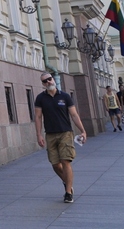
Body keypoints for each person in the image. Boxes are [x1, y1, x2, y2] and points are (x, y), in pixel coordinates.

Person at [35, 72, 87, 204]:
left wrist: (83, 131)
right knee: (55, 164)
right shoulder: (40, 98)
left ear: (53, 79)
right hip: (50, 134)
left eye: (49, 79)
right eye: (45, 81)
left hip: (65, 133)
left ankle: (68, 192)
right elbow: (38, 117)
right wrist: (39, 134)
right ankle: (67, 181)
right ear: (43, 84)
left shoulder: (64, 96)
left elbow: (74, 115)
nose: (48, 82)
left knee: (65, 161)